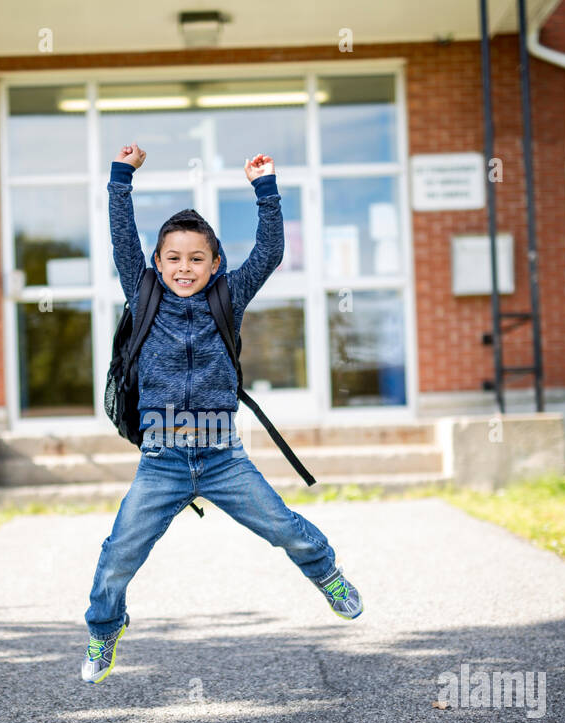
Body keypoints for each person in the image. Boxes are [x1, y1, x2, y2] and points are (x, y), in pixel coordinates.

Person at [81, 142, 363, 684]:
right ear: (157, 263)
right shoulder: (144, 296)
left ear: (215, 265)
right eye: (173, 258)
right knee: (119, 555)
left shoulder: (227, 297)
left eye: (196, 259)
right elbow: (121, 236)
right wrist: (121, 178)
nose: (184, 268)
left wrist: (266, 190)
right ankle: (103, 630)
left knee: (285, 528)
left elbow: (270, 252)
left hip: (222, 457)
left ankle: (328, 574)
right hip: (161, 461)